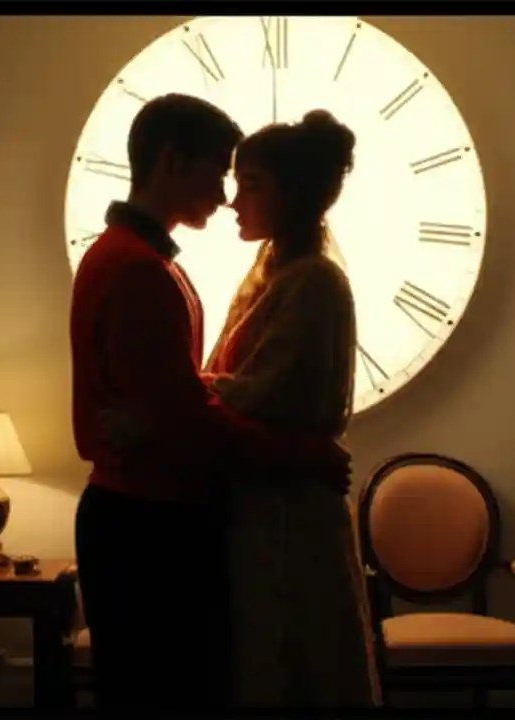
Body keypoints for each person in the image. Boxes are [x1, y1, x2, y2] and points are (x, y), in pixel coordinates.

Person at [68, 94, 350, 711]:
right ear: (172, 163)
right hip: (150, 523)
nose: (225, 196)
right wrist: (303, 455)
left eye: (242, 180)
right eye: (220, 171)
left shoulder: (135, 259)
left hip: (147, 515)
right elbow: (184, 419)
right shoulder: (139, 269)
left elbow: (178, 405)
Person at [207, 110, 381, 707]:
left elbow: (264, 392)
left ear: (291, 192)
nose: (234, 202)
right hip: (266, 506)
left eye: (251, 184)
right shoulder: (274, 277)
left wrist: (183, 389)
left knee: (295, 658)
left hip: (288, 514)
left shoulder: (313, 283)